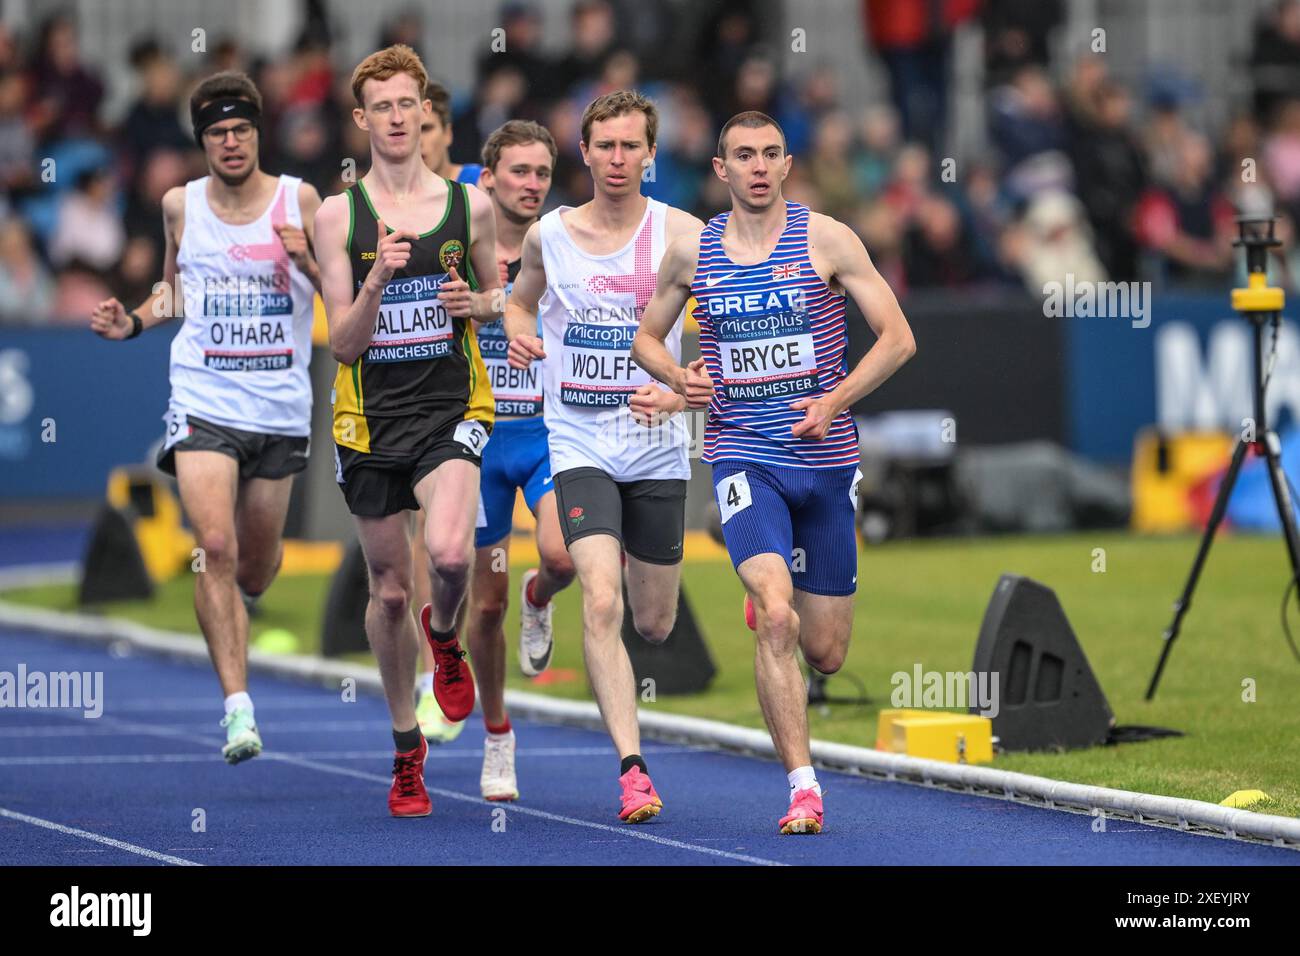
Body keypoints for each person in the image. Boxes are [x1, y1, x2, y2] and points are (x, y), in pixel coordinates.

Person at [631, 110, 916, 833]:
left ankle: (774, 605)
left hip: (825, 464)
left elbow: (898, 339)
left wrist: (835, 399)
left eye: (771, 154)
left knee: (825, 651)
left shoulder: (826, 238)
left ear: (788, 164)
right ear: (720, 170)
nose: (758, 167)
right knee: (779, 615)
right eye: (743, 156)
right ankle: (802, 786)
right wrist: (679, 380)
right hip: (742, 456)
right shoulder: (694, 255)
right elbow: (645, 338)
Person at [89, 71, 323, 765]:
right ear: (203, 142)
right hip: (204, 400)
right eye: (217, 133)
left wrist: (306, 256)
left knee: (252, 567)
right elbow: (174, 291)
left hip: (279, 407)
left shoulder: (298, 200)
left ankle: (252, 584)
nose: (230, 142)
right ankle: (237, 710)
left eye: (241, 130)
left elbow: (335, 289)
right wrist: (132, 321)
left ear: (258, 134)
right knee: (214, 548)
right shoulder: (179, 205)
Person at [313, 45, 502, 817]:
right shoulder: (339, 216)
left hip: (451, 406)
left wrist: (477, 307)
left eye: (408, 105)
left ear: (425, 111)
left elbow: (501, 300)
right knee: (389, 592)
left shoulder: (471, 208)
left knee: (452, 554)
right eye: (382, 107)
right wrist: (379, 277)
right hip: (369, 420)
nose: (397, 118)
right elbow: (345, 343)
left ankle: (446, 636)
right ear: (361, 119)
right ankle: (404, 750)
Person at [505, 90, 702, 823]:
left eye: (631, 147)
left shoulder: (683, 234)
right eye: (605, 146)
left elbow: (714, 332)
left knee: (654, 622)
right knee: (601, 596)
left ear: (652, 154)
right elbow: (518, 300)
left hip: (653, 444)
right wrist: (521, 329)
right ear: (583, 152)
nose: (618, 160)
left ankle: (537, 589)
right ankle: (632, 771)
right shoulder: (548, 235)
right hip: (579, 436)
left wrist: (683, 395)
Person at [420, 80, 484, 186]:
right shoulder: (389, 193)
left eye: (425, 129)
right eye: (408, 132)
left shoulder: (481, 182)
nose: (418, 141)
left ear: (447, 134)